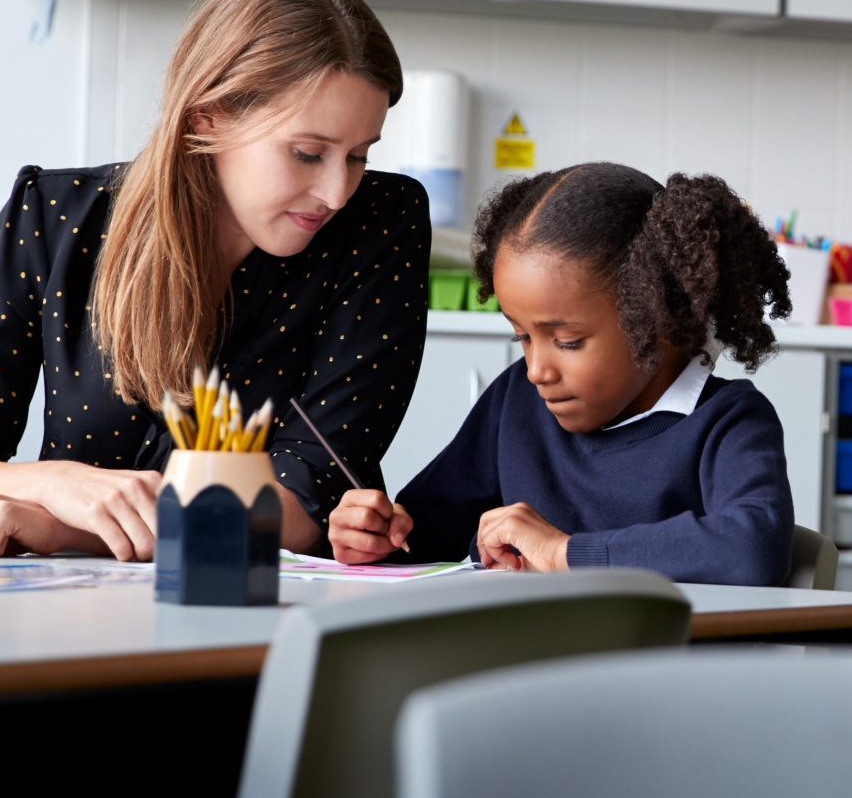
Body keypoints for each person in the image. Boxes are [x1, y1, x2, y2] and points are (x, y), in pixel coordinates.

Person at [0, 0, 431, 562]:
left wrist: (63, 529)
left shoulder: (381, 223)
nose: (338, 192)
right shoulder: (52, 218)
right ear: (209, 116)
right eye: (308, 153)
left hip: (260, 615)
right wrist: (54, 483)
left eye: (358, 155)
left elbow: (306, 502)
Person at [329, 161, 796, 585]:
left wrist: (564, 552)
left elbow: (753, 547)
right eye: (523, 338)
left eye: (567, 342)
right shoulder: (517, 402)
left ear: (662, 321)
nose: (536, 370)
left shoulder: (725, 420)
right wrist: (375, 535)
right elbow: (425, 534)